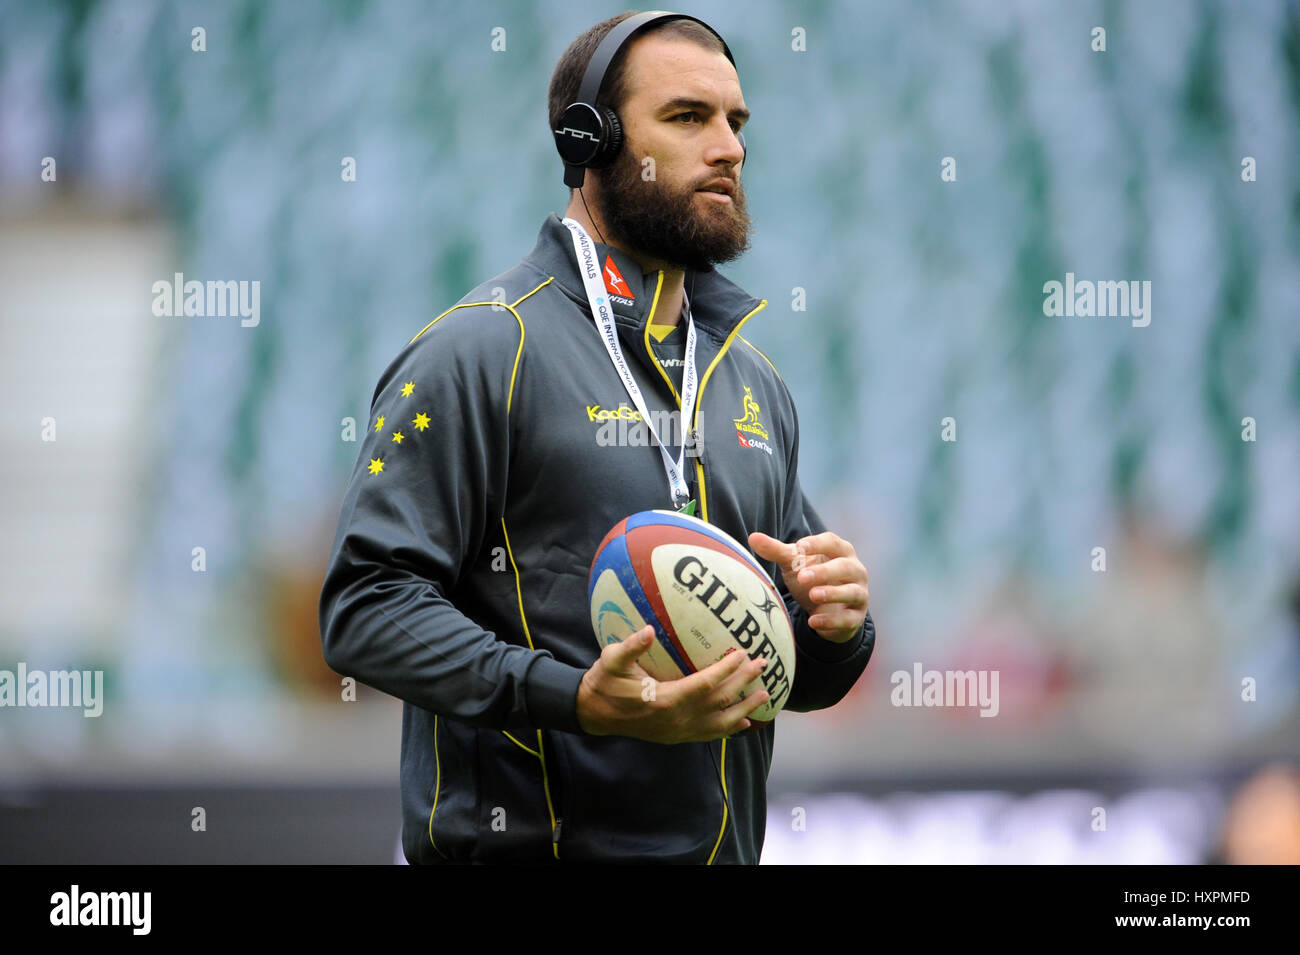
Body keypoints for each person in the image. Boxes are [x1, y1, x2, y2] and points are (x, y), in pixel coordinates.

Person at [319, 10, 876, 865]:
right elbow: (365, 608)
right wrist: (574, 697)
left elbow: (780, 673)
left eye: (737, 122)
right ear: (590, 139)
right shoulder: (480, 351)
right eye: (688, 118)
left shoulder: (749, 381)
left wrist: (837, 628)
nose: (728, 147)